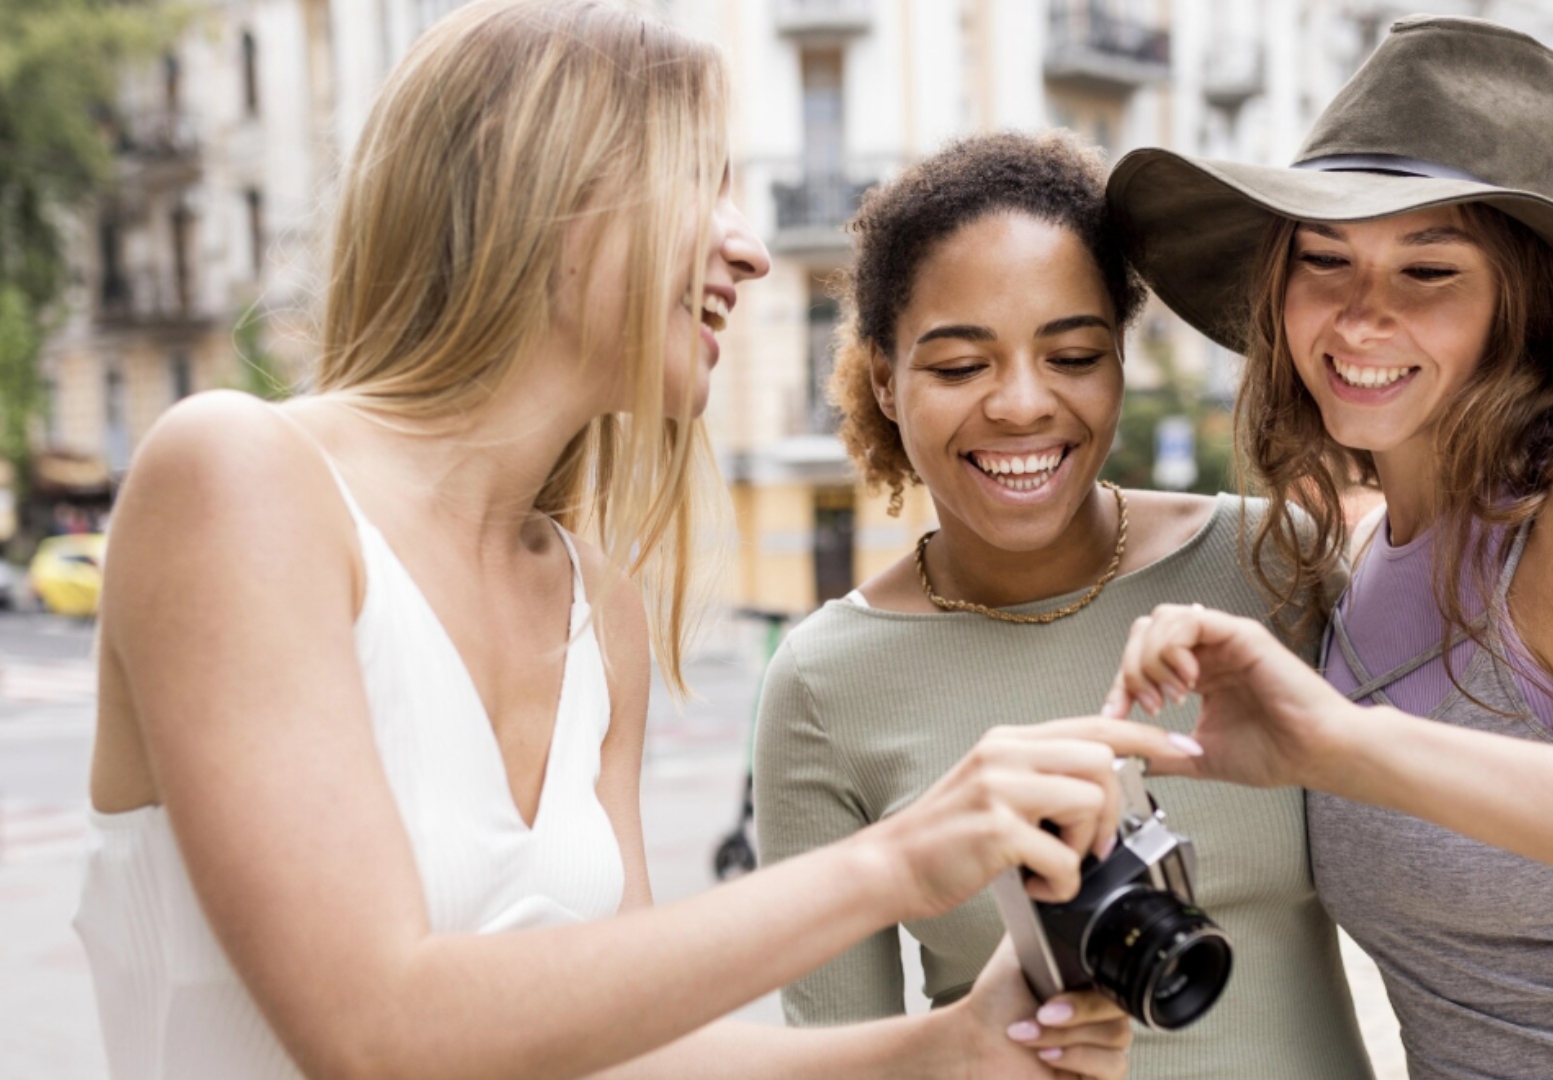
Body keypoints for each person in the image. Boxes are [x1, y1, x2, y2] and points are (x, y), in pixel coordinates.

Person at [72, 4, 1186, 1078]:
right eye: (702, 184)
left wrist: (938, 1056)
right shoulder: (238, 479)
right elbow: (372, 1031)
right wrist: (893, 863)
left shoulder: (593, 608)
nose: (748, 251)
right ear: (546, 195)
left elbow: (620, 1053)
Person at [752, 130, 1553, 1080]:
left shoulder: (1280, 566)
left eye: (1075, 353)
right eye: (1328, 258)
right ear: (883, 380)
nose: (1025, 401)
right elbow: (827, 1058)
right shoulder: (818, 682)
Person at [1105, 15, 1553, 1080]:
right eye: (1325, 259)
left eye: (1429, 271)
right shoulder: (1357, 561)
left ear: (1525, 309)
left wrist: (1344, 747)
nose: (1361, 319)